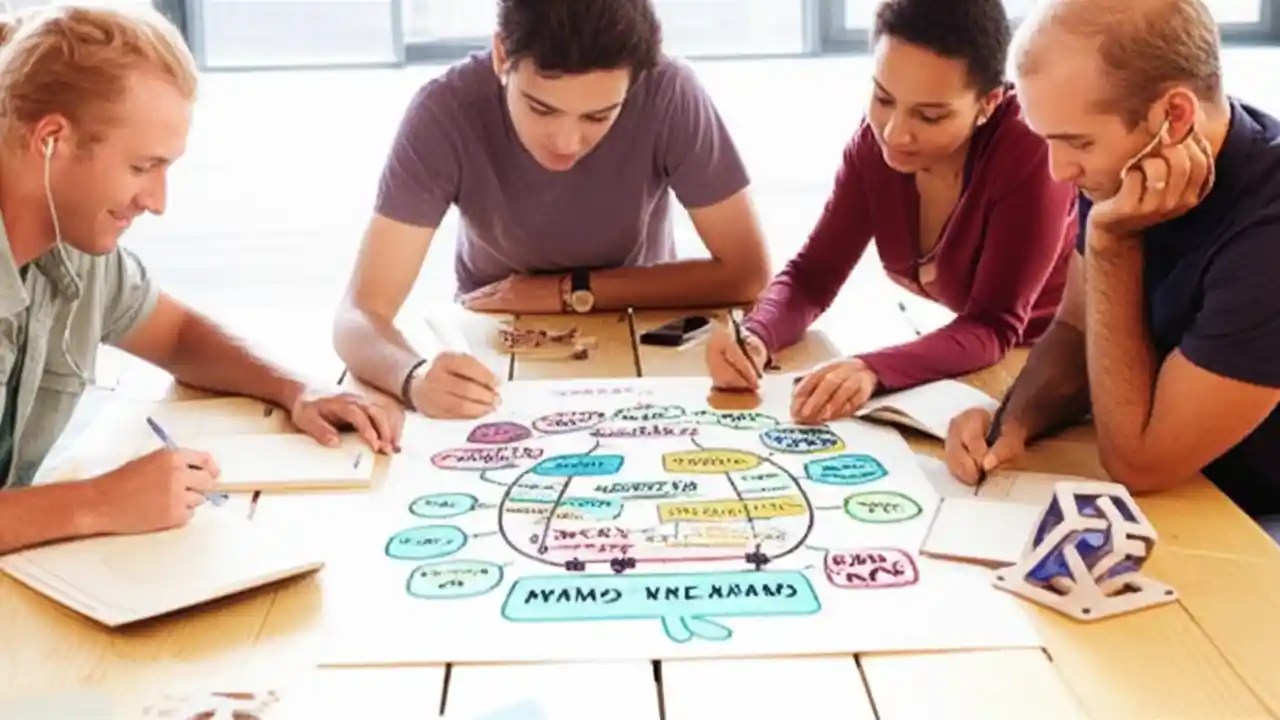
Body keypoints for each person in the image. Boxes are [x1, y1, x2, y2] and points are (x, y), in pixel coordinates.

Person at [0, 5, 401, 555]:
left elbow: (177, 335)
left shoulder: (75, 244)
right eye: (142, 168)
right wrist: (99, 502)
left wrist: (297, 388)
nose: (158, 202)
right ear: (51, 139)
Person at [334, 0, 771, 420]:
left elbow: (748, 274)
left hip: (646, 333)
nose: (566, 143)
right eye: (541, 108)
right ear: (502, 54)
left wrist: (569, 291)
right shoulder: (444, 111)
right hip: (498, 340)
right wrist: (414, 375)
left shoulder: (671, 92)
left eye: (598, 116)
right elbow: (359, 313)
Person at [944, 0, 1280, 537]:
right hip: (1185, 499)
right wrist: (1014, 421)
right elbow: (1078, 329)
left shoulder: (1268, 231)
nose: (1058, 171)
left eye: (1077, 143)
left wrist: (1110, 245)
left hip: (1255, 523)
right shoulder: (1126, 162)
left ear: (1175, 116)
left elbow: (1141, 463)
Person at [706, 0, 1077, 425]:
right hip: (988, 359)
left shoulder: (1029, 149)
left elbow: (994, 325)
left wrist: (871, 368)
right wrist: (756, 335)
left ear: (989, 103)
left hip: (1062, 360)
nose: (894, 132)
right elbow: (812, 276)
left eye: (930, 115)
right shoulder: (873, 146)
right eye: (883, 97)